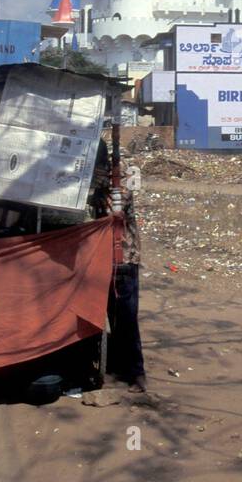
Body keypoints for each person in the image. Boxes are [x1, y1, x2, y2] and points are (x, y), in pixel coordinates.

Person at [88, 139, 146, 393]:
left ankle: (136, 373)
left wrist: (95, 188)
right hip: (103, 255)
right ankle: (118, 365)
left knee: (126, 315)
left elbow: (115, 210)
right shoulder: (100, 177)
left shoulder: (118, 179)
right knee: (111, 313)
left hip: (123, 255)